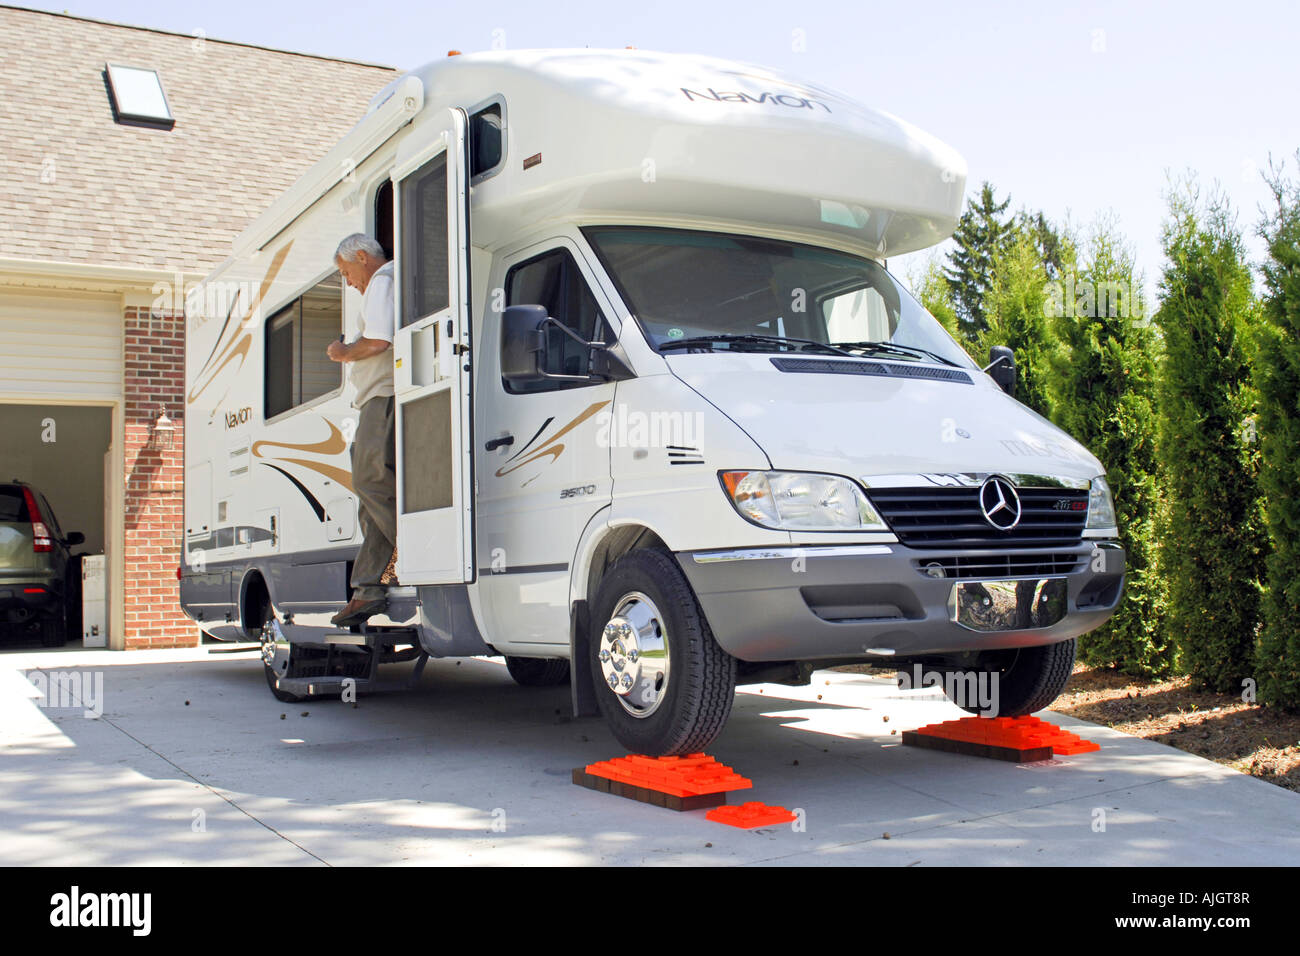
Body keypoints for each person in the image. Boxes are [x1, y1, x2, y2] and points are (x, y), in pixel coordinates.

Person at [327, 234, 397, 627]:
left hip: (382, 396)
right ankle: (368, 589)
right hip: (374, 398)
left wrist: (342, 352)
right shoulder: (381, 284)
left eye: (346, 272)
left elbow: (378, 342)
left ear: (361, 256)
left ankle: (411, 548)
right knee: (368, 500)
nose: (348, 281)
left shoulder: (383, 281)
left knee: (370, 482)